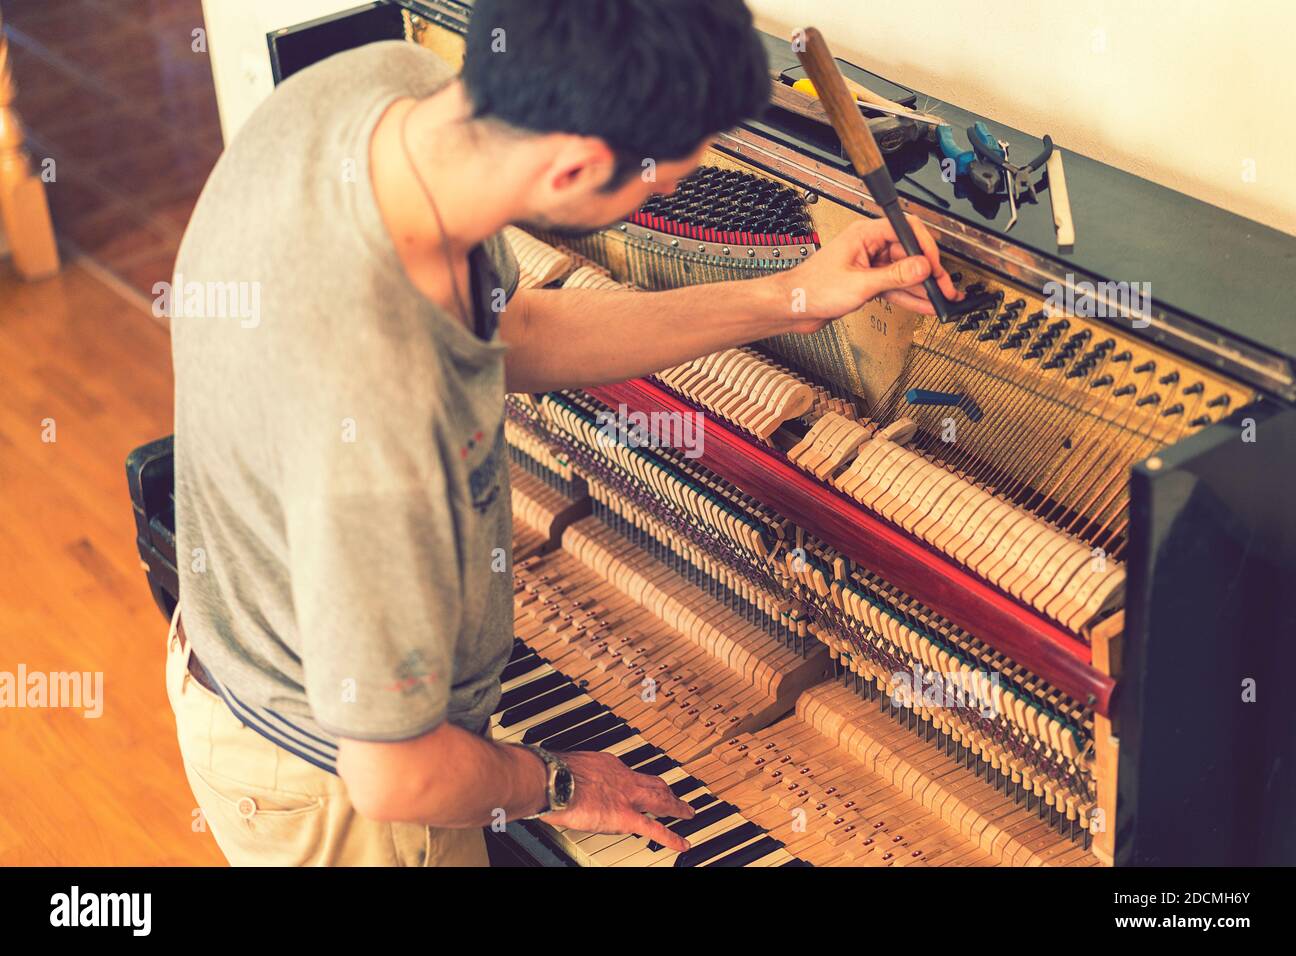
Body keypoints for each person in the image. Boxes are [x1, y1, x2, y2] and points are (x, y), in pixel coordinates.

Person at [166, 0, 960, 866]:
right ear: (577, 166)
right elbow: (398, 777)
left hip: (289, 681)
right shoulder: (376, 397)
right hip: (333, 791)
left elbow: (521, 332)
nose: (668, 193)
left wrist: (792, 294)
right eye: (659, 184)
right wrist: (558, 782)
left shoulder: (385, 89)